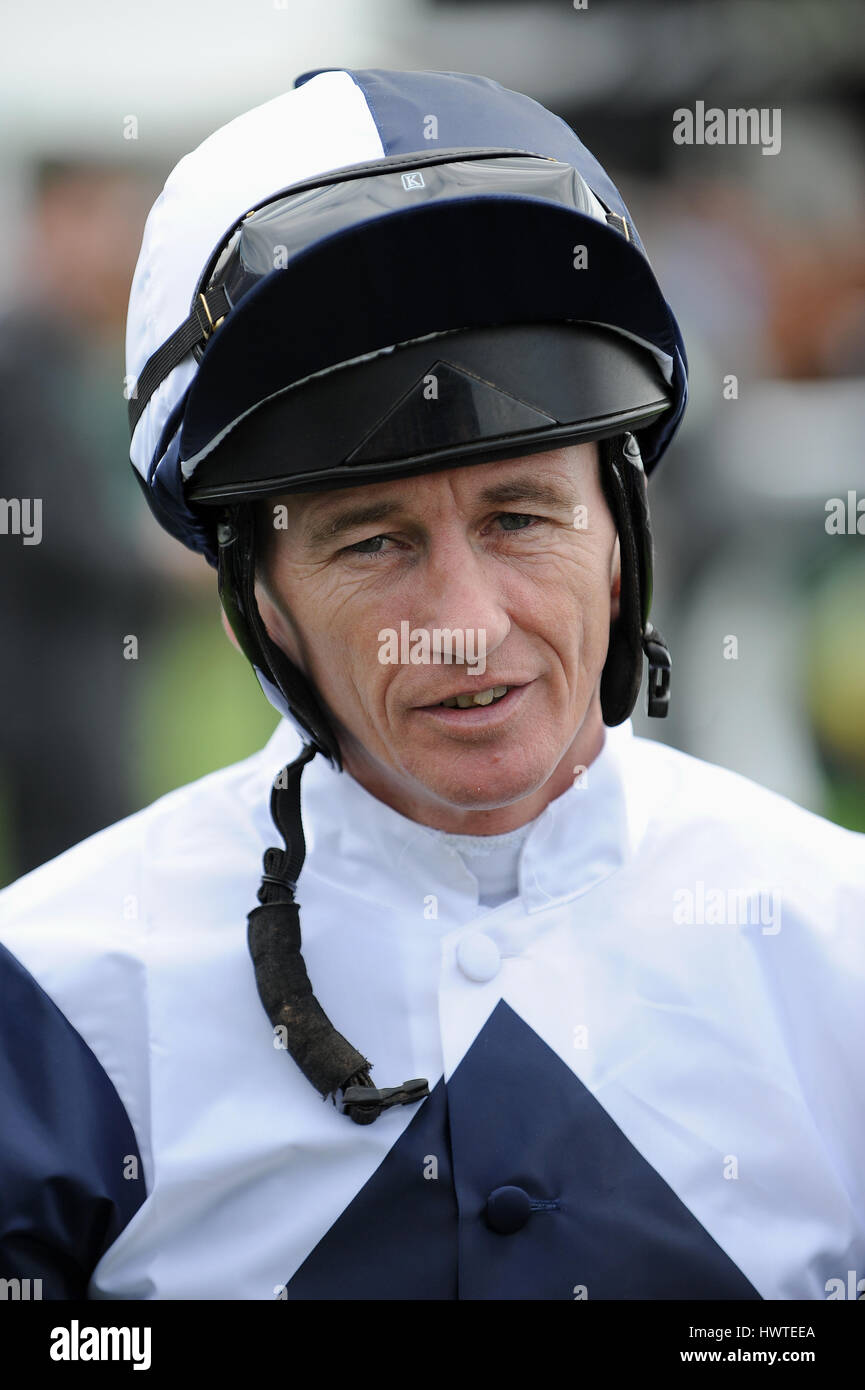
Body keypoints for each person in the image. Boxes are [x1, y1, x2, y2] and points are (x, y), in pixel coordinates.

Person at [0, 67, 862, 1302]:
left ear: (622, 534)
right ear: (256, 595)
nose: (462, 627)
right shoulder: (47, 1006)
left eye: (521, 517)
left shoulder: (840, 947)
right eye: (372, 542)